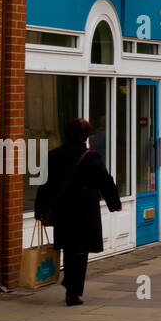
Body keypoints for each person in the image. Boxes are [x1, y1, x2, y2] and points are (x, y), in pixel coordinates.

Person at [34, 117, 123, 307]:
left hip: (63, 212)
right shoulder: (91, 158)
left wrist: (39, 209)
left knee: (69, 249)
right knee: (81, 252)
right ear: (85, 137)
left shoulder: (54, 155)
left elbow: (45, 185)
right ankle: (73, 292)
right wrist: (115, 204)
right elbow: (105, 181)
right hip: (84, 212)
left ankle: (69, 284)